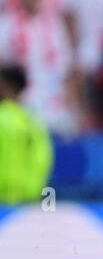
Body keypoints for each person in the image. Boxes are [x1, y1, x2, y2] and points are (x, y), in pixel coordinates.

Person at [0, 65, 53, 205]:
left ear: (5, 86)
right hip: (27, 200)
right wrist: (32, 190)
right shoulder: (33, 120)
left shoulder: (6, 117)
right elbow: (42, 160)